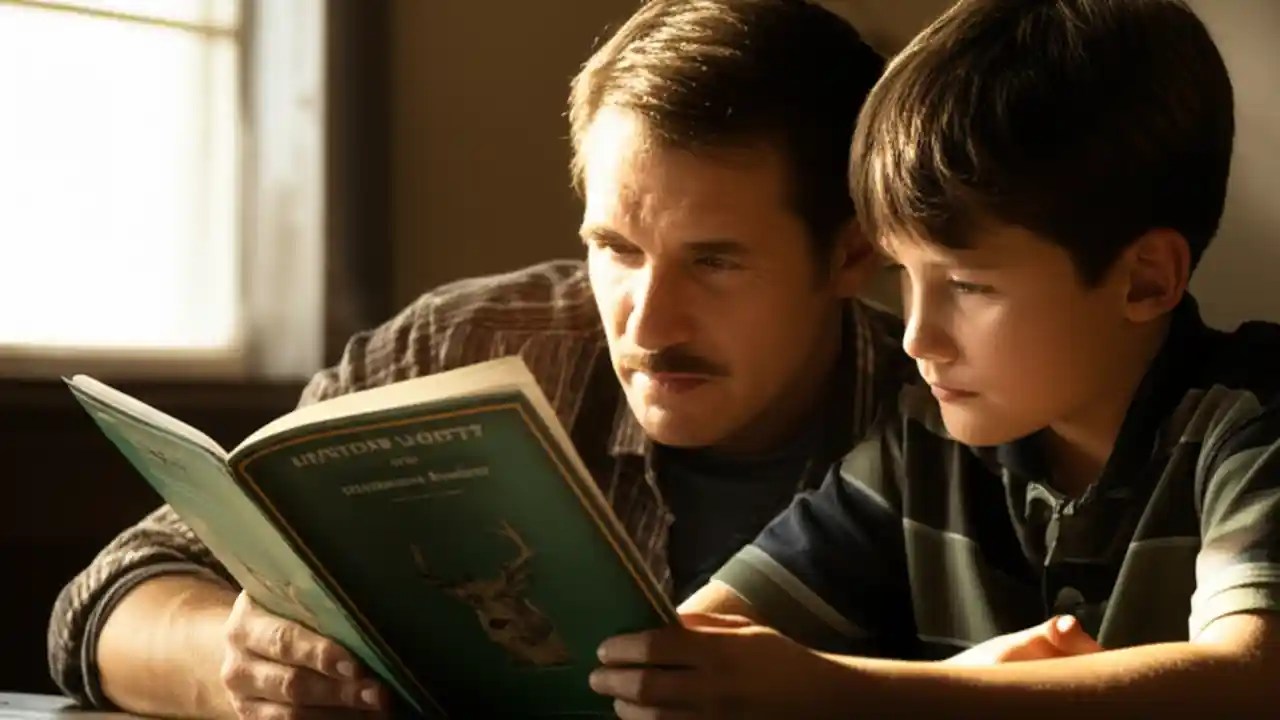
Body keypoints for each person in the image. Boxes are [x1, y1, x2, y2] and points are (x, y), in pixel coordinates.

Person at [48, 2, 915, 718]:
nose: (649, 323)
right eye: (615, 249)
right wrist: (236, 669)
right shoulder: (466, 346)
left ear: (851, 255)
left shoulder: (947, 429)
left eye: (715, 262)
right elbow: (102, 603)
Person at [588, 0, 1280, 717]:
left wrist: (839, 691)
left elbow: (1250, 679)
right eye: (902, 276)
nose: (918, 336)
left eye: (968, 285)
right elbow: (705, 644)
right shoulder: (922, 447)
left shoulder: (1251, 424)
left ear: (1144, 279)